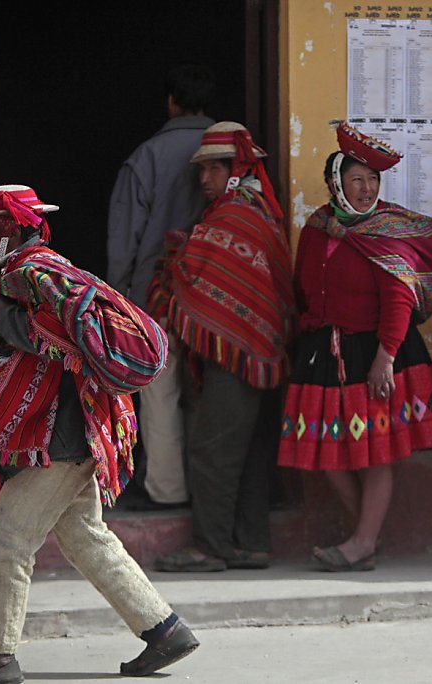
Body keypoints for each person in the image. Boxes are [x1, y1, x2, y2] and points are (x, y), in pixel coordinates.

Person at [0, 185, 198, 684]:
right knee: (84, 535)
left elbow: (59, 340)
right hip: (79, 429)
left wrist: (4, 321)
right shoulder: (29, 273)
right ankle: (164, 631)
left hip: (61, 435)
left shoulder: (29, 274)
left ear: (7, 231)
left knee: (9, 535)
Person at [278, 122, 432, 571]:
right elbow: (302, 287)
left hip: (376, 352)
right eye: (356, 180)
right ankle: (366, 533)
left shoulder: (384, 230)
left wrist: (385, 357)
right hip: (324, 351)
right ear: (335, 184)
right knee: (325, 450)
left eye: (373, 180)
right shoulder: (317, 228)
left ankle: (362, 542)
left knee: (376, 451)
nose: (366, 189)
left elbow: (399, 297)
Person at [148, 122, 295, 572]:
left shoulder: (236, 216)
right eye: (202, 171)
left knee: (212, 449)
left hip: (234, 351)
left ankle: (211, 548)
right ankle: (251, 544)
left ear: (235, 170)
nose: (204, 179)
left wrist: (174, 265)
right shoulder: (251, 214)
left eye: (213, 169)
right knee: (246, 449)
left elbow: (197, 278)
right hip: (255, 351)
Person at [106, 64, 215, 510]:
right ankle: (211, 493)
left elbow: (123, 240)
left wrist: (116, 299)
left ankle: (169, 491)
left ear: (170, 102)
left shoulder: (147, 157)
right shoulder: (230, 152)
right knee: (211, 393)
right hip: (218, 298)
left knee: (160, 393)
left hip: (157, 295)